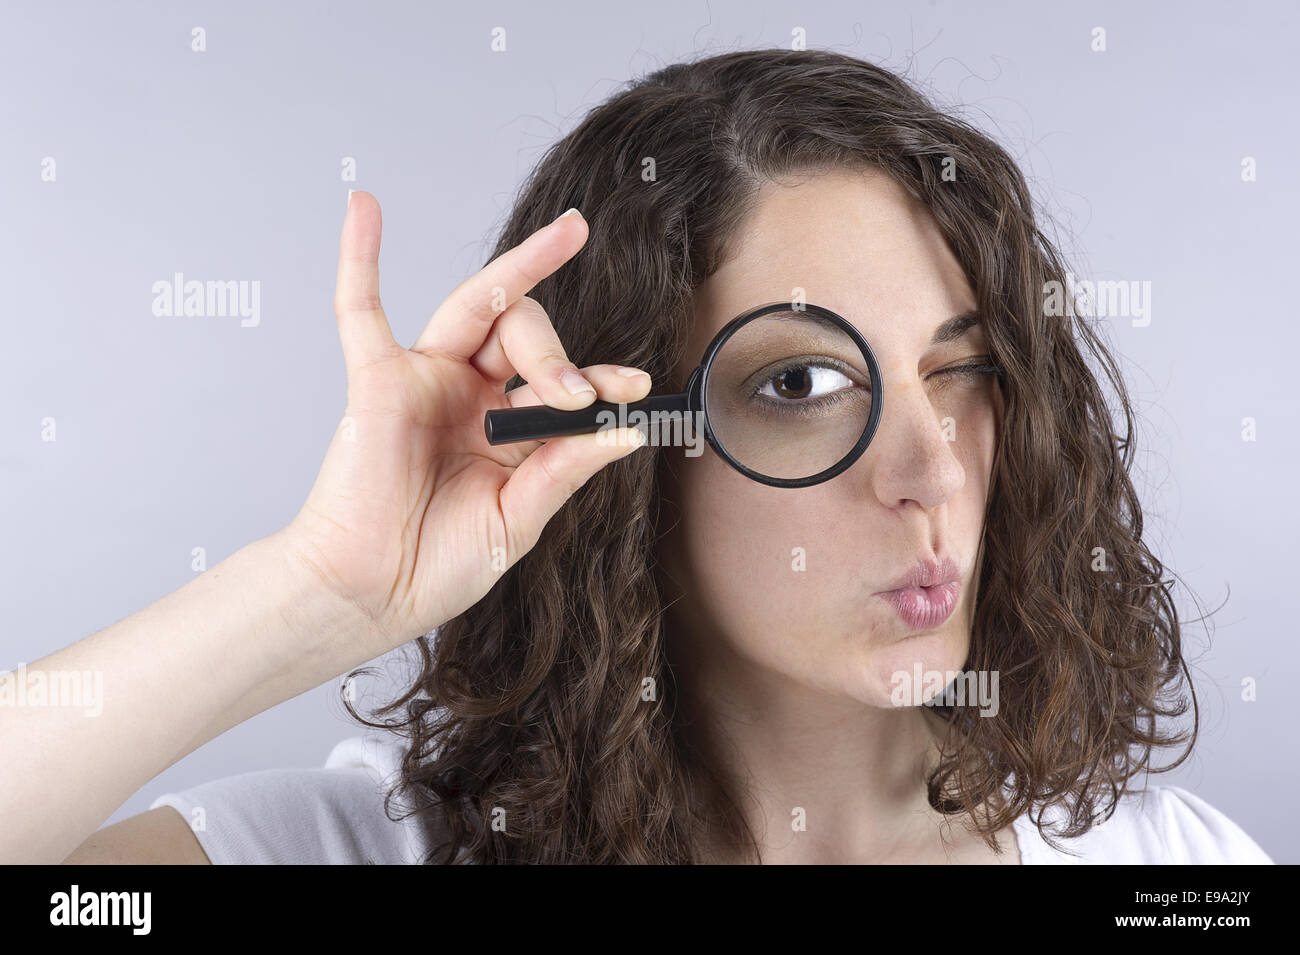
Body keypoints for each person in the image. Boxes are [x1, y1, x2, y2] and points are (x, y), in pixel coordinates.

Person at [7, 49, 1271, 865]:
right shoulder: (364, 855)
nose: (930, 471)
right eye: (801, 384)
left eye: (968, 368)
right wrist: (314, 595)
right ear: (618, 448)